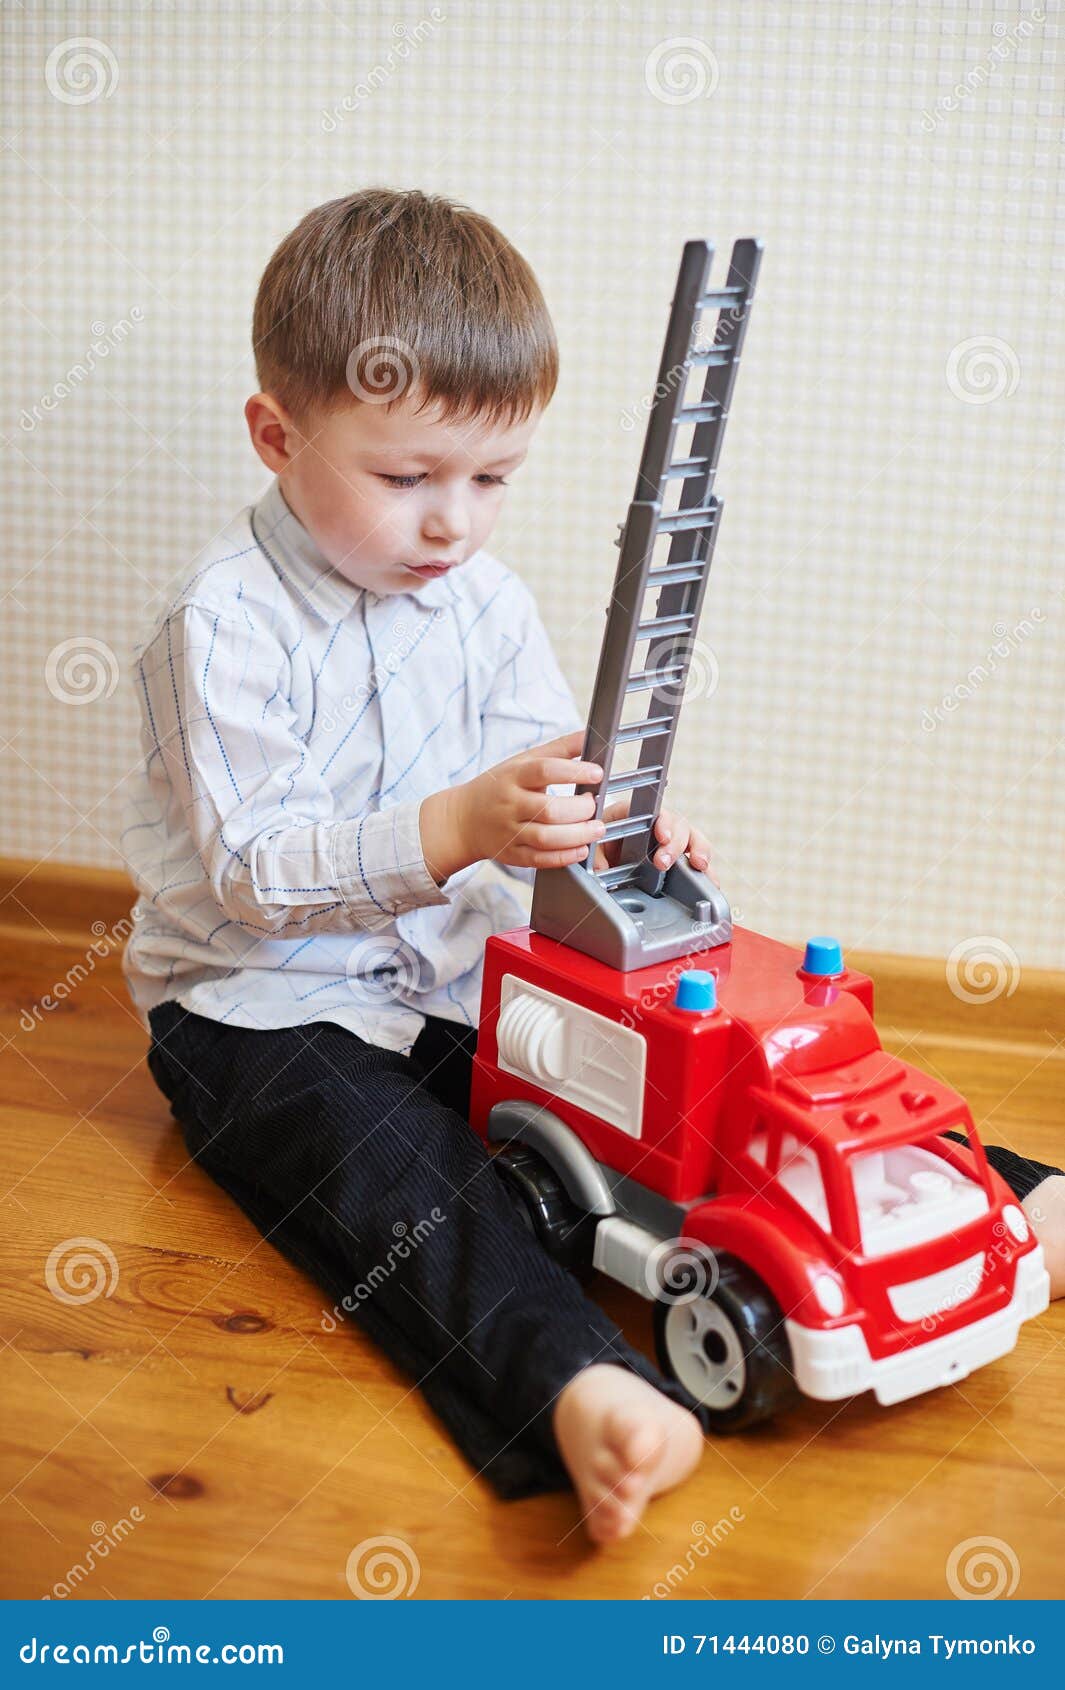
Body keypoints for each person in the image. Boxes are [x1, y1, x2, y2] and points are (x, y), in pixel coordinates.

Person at [121, 187, 1064, 1545]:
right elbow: (262, 876)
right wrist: (459, 826)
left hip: (447, 978)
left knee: (680, 1079)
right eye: (406, 479)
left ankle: (994, 1194)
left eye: (490, 479)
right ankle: (569, 1384)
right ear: (277, 434)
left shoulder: (481, 600)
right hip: (260, 1008)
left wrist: (615, 819)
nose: (453, 523)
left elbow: (541, 772)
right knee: (399, 1173)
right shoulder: (219, 627)